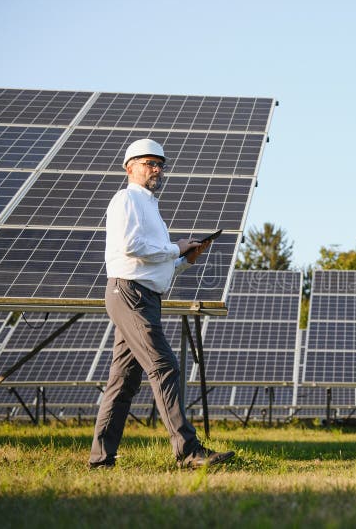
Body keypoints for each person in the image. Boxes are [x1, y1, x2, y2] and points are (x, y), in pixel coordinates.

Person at [88, 138, 234, 469]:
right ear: (130, 167)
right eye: (149, 163)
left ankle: (100, 460)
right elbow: (130, 246)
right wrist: (175, 247)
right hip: (129, 293)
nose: (157, 169)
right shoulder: (126, 199)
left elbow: (153, 262)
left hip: (143, 295)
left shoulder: (150, 206)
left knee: (123, 382)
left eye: (160, 164)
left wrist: (185, 259)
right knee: (164, 365)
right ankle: (188, 452)